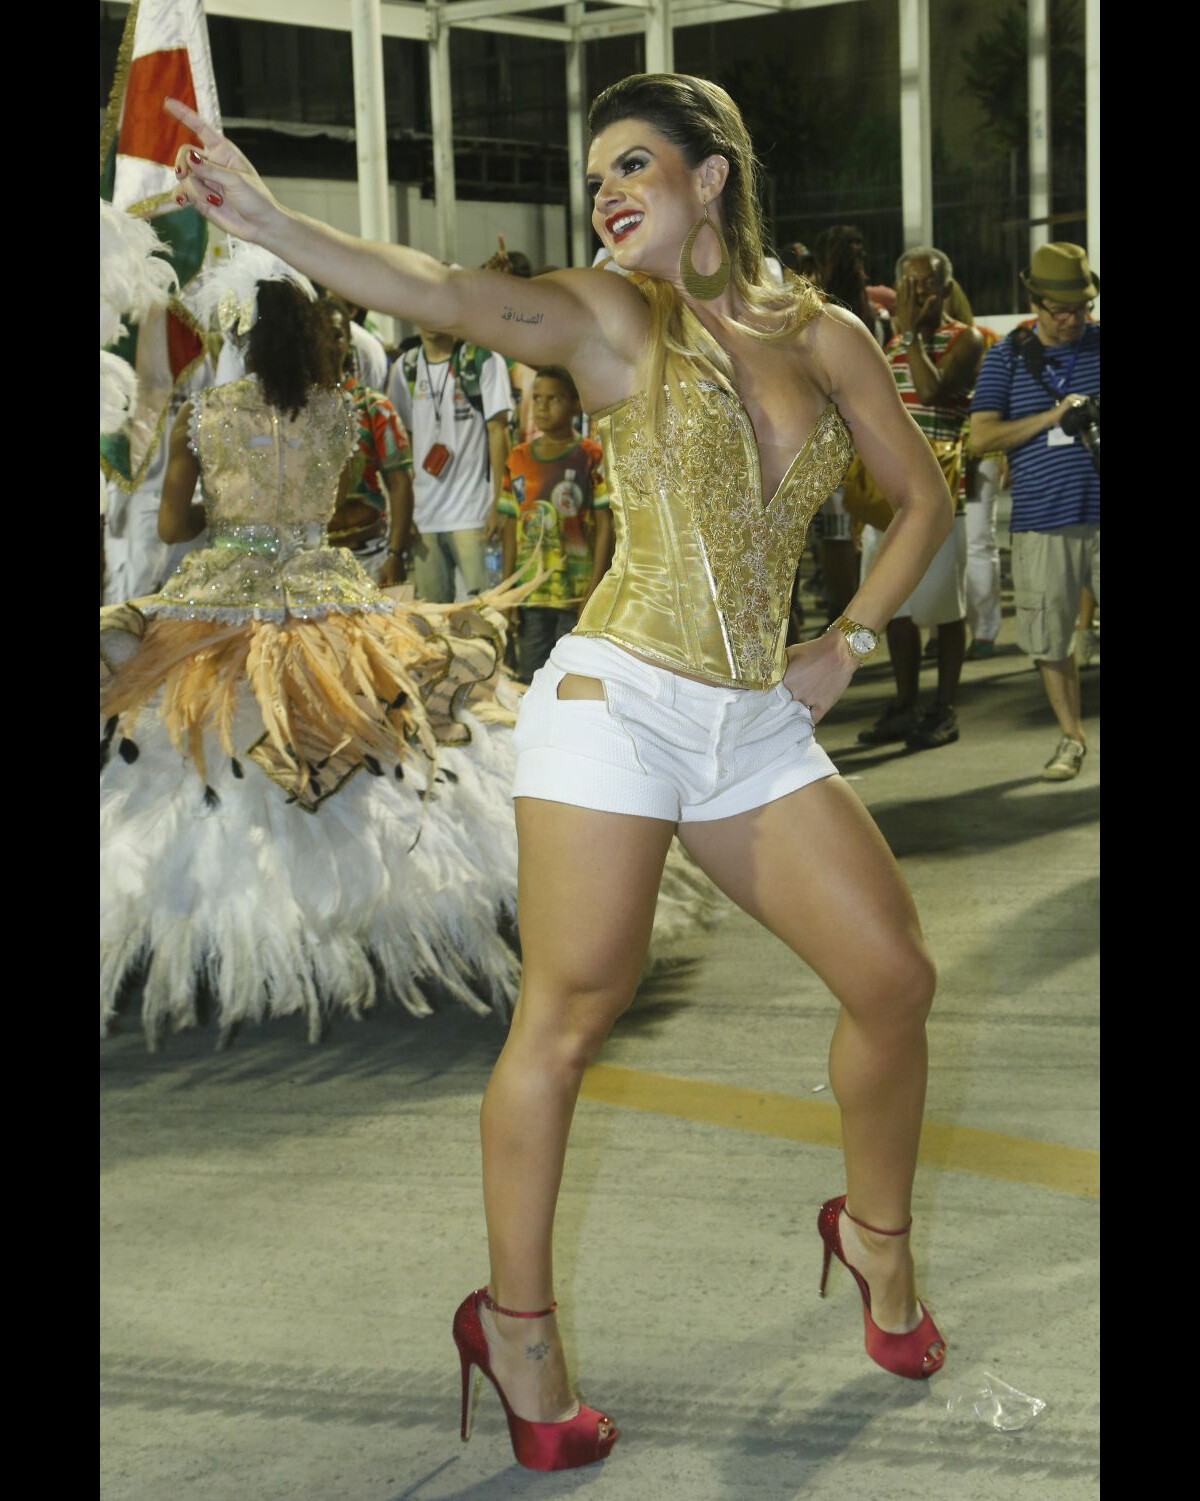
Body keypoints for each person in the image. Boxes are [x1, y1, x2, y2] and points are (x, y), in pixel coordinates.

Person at [168, 72, 955, 1471]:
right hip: (615, 701)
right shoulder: (608, 316)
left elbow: (924, 497)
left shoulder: (821, 332)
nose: (607, 191)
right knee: (571, 1012)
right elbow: (445, 296)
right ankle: (517, 1331)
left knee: (894, 979)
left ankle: (875, 1240)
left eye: (635, 162)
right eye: (596, 173)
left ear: (711, 178)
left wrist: (850, 639)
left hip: (754, 720)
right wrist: (277, 221)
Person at [100, 249, 530, 1045]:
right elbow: (337, 503)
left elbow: (169, 527)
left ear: (235, 334)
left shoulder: (205, 415)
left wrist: (222, 523)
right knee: (372, 736)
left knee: (201, 746)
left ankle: (227, 933)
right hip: (326, 583)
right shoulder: (344, 411)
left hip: (224, 592)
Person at [969, 242, 1100, 781]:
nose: (1072, 320)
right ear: (1037, 303)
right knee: (1049, 637)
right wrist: (1052, 417)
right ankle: (1071, 737)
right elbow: (981, 438)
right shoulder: (1006, 355)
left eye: (1081, 309)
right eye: (1061, 310)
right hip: (1043, 518)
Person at [856, 247, 984, 751]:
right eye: (909, 288)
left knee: (944, 606)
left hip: (938, 496)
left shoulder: (966, 340)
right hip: (891, 497)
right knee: (896, 607)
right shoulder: (889, 346)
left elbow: (930, 394)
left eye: (927, 286)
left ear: (948, 289)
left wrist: (908, 333)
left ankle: (943, 707)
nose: (919, 297)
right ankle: (905, 704)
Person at [497, 366, 614, 681]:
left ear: (576, 404)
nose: (542, 407)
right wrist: (507, 594)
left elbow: (606, 525)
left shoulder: (591, 456)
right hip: (531, 596)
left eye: (554, 399)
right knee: (530, 679)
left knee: (571, 678)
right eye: (536, 398)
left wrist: (594, 591)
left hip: (575, 593)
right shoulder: (518, 458)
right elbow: (510, 529)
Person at [385, 323, 512, 602]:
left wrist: (498, 504)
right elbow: (402, 442)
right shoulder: (405, 367)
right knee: (433, 622)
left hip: (475, 513)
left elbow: (498, 431)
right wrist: (404, 514)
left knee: (486, 612)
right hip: (424, 517)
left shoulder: (482, 360)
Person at [321, 295, 416, 585]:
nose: (327, 343)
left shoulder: (373, 406)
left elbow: (400, 483)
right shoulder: (291, 412)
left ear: (348, 340)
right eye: (317, 335)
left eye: (336, 335)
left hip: (370, 557)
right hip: (311, 562)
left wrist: (395, 554)